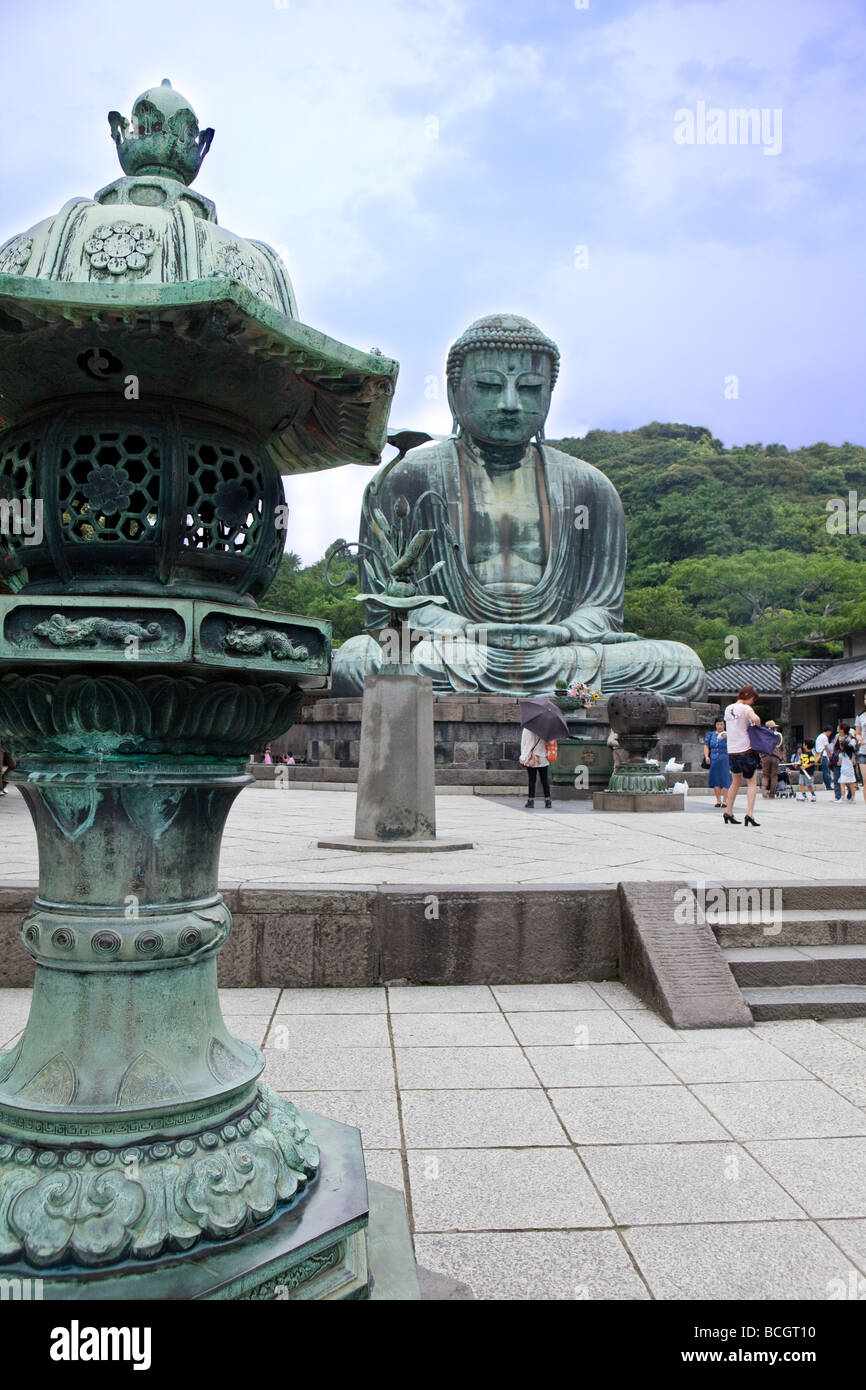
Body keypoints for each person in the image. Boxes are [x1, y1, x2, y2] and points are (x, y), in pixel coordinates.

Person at [723, 684, 762, 826]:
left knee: (736, 782)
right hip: (745, 750)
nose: (753, 702)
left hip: (731, 751)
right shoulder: (746, 708)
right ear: (749, 696)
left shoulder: (728, 709)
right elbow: (756, 719)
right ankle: (749, 814)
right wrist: (756, 722)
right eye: (753, 699)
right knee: (752, 783)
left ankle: (728, 811)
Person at [519, 727, 552, 808]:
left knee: (532, 780)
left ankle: (531, 801)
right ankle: (548, 801)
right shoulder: (546, 729)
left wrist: (523, 756)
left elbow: (524, 744)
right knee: (544, 780)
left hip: (531, 757)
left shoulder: (527, 729)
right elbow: (549, 743)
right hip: (542, 757)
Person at [703, 719, 731, 807]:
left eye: (721, 724)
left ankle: (725, 800)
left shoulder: (728, 734)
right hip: (714, 758)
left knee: (725, 778)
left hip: (725, 758)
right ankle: (718, 800)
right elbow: (706, 746)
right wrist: (707, 756)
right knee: (716, 779)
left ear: (724, 725)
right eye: (718, 724)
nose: (719, 726)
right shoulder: (711, 734)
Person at [760, 720, 783, 799]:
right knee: (774, 776)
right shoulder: (778, 735)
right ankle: (772, 794)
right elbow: (781, 747)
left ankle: (764, 791)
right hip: (775, 756)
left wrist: (761, 756)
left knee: (765, 775)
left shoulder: (763, 735)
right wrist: (781, 756)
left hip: (765, 756)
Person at [837, 722, 858, 802]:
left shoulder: (841, 754)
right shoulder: (851, 754)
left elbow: (839, 762)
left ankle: (842, 798)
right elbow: (854, 762)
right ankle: (853, 798)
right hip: (850, 770)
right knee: (852, 784)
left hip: (844, 770)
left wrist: (838, 763)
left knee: (842, 784)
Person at [815, 726, 834, 793]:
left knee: (824, 770)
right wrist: (830, 755)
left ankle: (827, 784)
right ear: (828, 731)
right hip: (823, 755)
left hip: (819, 755)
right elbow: (826, 747)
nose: (830, 734)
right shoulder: (824, 737)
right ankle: (828, 785)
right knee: (826, 771)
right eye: (830, 733)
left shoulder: (820, 736)